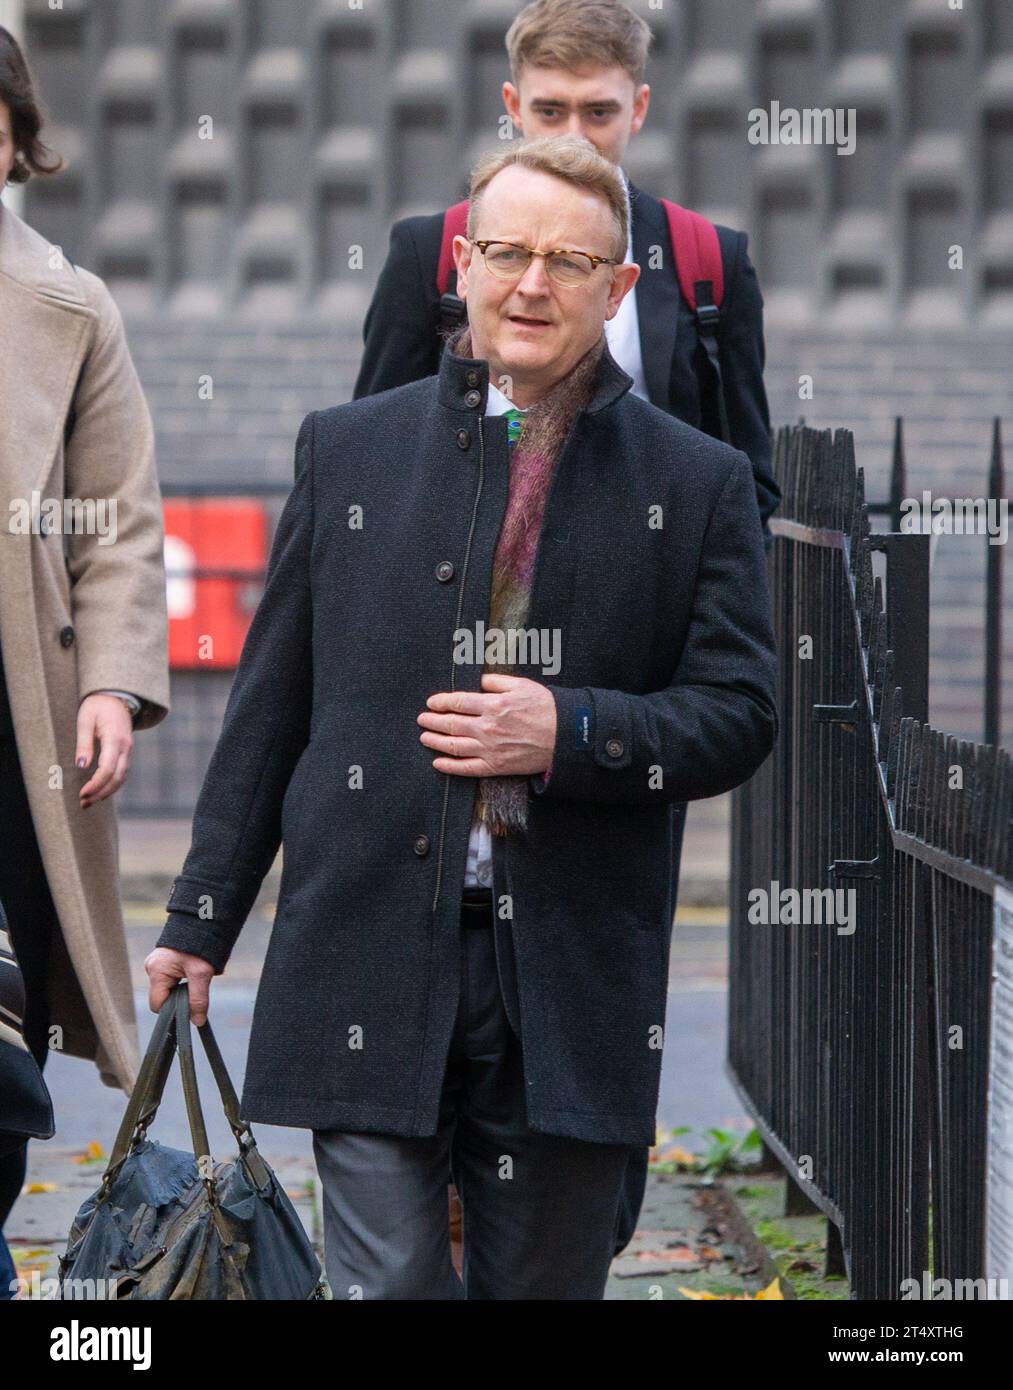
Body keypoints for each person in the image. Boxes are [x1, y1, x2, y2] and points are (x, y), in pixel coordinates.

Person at [147, 133, 777, 1300]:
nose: (530, 282)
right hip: (366, 950)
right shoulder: (348, 452)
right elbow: (272, 702)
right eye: (505, 250)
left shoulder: (696, 482)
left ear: (618, 286)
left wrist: (570, 733)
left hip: (570, 977)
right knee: (384, 1286)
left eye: (567, 260)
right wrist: (201, 910)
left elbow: (739, 712)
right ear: (462, 266)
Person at [352, 0, 781, 1259]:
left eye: (599, 110)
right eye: (550, 111)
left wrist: (614, 677)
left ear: (637, 109)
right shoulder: (436, 254)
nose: (577, 129)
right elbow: (365, 482)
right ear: (511, 107)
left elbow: (745, 483)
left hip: (614, 709)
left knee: (579, 971)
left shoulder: (703, 265)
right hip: (439, 716)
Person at [0, 27, 169, 1297]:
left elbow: (118, 523)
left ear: (15, 137)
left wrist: (111, 682)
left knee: (1, 1073)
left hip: (15, 732)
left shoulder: (66, 306)